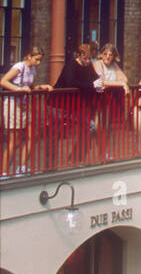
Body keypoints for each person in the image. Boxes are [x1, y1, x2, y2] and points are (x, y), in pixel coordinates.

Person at [51, 42, 104, 165]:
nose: (87, 62)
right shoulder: (71, 66)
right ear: (79, 55)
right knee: (54, 133)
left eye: (89, 59)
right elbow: (71, 82)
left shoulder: (89, 65)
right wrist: (92, 86)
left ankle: (76, 158)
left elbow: (95, 79)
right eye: (85, 59)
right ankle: (50, 164)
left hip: (74, 105)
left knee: (90, 126)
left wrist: (98, 85)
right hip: (57, 104)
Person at [1, 45, 50, 176]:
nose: (38, 63)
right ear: (29, 56)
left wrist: (41, 86)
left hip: (23, 105)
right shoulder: (19, 66)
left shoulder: (32, 69)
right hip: (12, 104)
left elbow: (30, 86)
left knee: (32, 136)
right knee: (14, 140)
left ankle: (21, 167)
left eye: (40, 60)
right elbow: (3, 81)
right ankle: (4, 172)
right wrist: (18, 89)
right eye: (37, 59)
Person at [93, 43, 130, 158]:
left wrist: (120, 83)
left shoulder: (114, 66)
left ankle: (103, 153)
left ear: (114, 56)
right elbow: (102, 81)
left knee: (107, 128)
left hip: (108, 99)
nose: (107, 57)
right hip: (96, 99)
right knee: (96, 127)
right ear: (101, 55)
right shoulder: (97, 64)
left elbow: (125, 78)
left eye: (110, 55)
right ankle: (80, 155)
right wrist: (121, 84)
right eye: (105, 54)